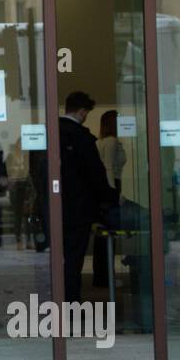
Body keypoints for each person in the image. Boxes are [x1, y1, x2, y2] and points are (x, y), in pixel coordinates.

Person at [58, 92, 117, 301]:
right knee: (74, 257)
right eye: (86, 113)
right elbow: (95, 174)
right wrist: (110, 198)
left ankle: (58, 298)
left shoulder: (49, 134)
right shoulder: (81, 137)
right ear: (82, 111)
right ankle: (71, 300)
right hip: (79, 207)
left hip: (55, 206)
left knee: (59, 255)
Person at [93, 110, 127, 286]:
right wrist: (115, 193)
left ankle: (102, 276)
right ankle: (107, 277)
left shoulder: (101, 141)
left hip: (106, 189)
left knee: (103, 236)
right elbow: (108, 168)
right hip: (111, 187)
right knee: (109, 236)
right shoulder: (112, 142)